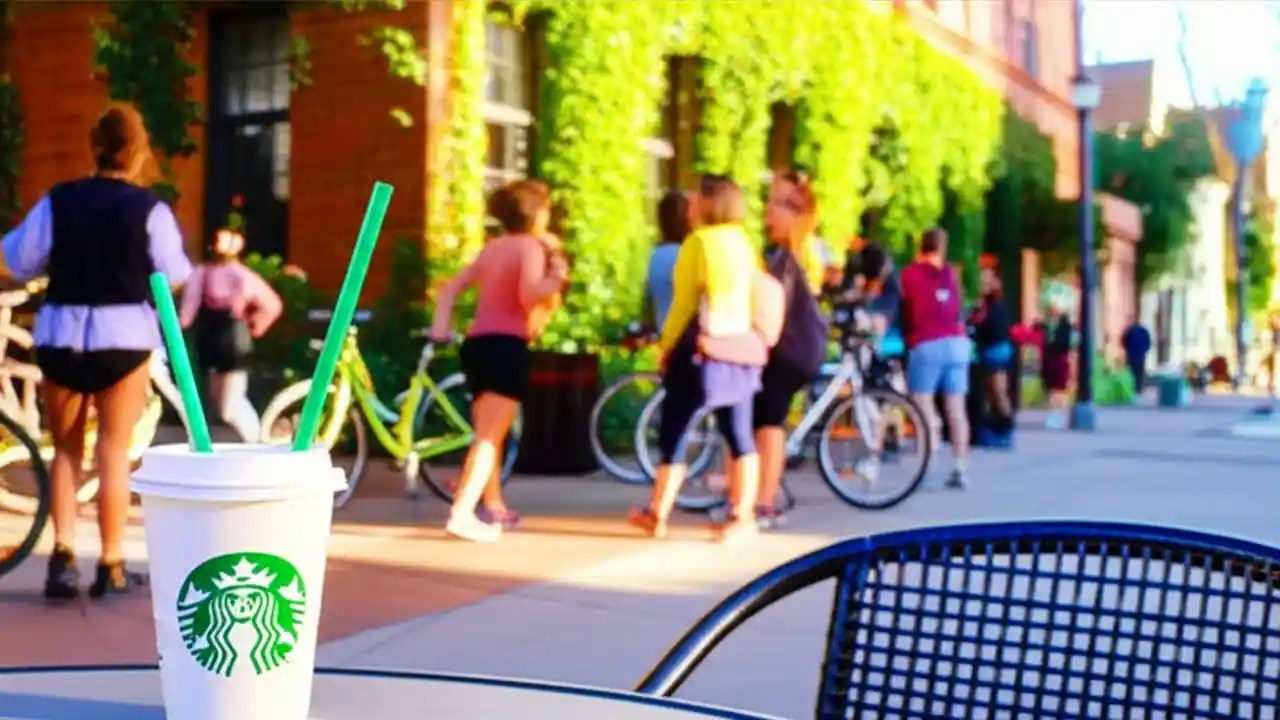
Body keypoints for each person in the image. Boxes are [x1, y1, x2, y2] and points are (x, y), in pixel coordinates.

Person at [2, 104, 193, 598]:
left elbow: (20, 259)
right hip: (125, 335)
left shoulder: (58, 200)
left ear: (95, 147)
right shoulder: (150, 209)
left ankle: (62, 557)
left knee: (66, 451)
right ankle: (110, 563)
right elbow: (173, 274)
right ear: (138, 152)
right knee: (113, 448)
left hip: (61, 330)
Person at [630, 175, 773, 542]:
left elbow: (684, 302)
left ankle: (657, 514)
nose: (690, 203)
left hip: (702, 350)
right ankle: (742, 516)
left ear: (707, 203)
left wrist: (667, 344)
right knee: (740, 434)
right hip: (739, 348)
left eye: (696, 198)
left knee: (675, 430)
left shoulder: (699, 242)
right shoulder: (743, 242)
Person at [430, 180, 568, 542]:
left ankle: (494, 506)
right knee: (490, 437)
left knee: (488, 432)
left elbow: (451, 289)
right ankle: (462, 511)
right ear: (538, 214)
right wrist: (556, 279)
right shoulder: (529, 248)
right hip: (508, 346)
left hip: (478, 346)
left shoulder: (493, 248)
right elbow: (528, 296)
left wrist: (440, 329)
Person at [751, 172, 828, 527]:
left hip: (787, 348)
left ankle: (765, 500)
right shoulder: (802, 252)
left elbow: (775, 306)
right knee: (768, 419)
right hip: (802, 347)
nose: (767, 214)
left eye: (774, 206)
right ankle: (766, 493)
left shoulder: (790, 256)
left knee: (768, 421)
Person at [179, 226, 282, 442]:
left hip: (224, 338)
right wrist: (256, 326)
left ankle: (257, 442)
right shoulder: (237, 275)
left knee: (228, 404)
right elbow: (272, 305)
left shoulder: (213, 273)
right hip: (228, 337)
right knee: (221, 400)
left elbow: (187, 312)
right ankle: (256, 441)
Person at [898, 228, 971, 488]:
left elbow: (904, 308)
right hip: (958, 343)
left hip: (926, 343)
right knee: (957, 408)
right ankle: (960, 467)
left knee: (923, 404)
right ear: (942, 248)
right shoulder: (951, 274)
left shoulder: (909, 274)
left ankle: (928, 461)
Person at [969, 267, 1014, 434]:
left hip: (996, 348)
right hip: (991, 348)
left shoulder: (995, 303)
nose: (984, 284)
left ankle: (1006, 424)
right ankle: (994, 425)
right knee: (991, 390)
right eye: (982, 280)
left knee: (998, 389)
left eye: (987, 280)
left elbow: (992, 325)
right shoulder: (985, 304)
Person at [644, 190, 689, 332]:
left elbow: (649, 306)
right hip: (685, 338)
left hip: (663, 332)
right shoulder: (685, 255)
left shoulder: (655, 255)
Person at [1040, 303, 1073, 429]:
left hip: (1059, 358)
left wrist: (1052, 345)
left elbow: (1065, 343)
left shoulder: (1065, 325)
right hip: (1049, 359)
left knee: (1059, 389)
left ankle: (1058, 414)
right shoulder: (1048, 325)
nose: (1053, 310)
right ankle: (1054, 414)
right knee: (1052, 388)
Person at [1120, 316, 1151, 395]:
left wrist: (1128, 350)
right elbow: (1148, 343)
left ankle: (1132, 388)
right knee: (1139, 373)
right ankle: (1138, 388)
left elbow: (1123, 341)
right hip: (1141, 356)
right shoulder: (1144, 331)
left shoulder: (1129, 331)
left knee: (1131, 373)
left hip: (1131, 355)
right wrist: (1144, 351)